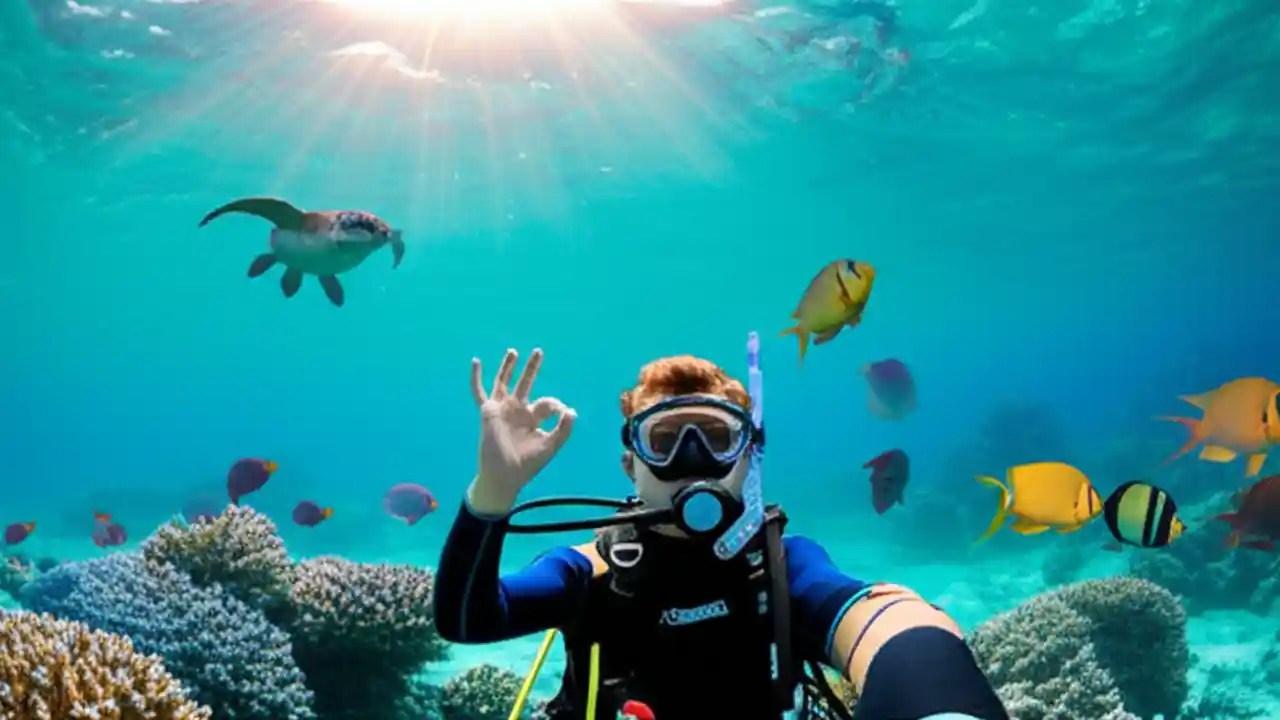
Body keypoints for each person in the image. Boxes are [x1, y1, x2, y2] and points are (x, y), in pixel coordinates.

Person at [434, 348, 1007, 720]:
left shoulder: (781, 565)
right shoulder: (594, 569)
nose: (692, 460)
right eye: (664, 441)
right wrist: (494, 491)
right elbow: (466, 620)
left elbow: (888, 621)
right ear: (631, 466)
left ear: (748, 459)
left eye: (716, 437)